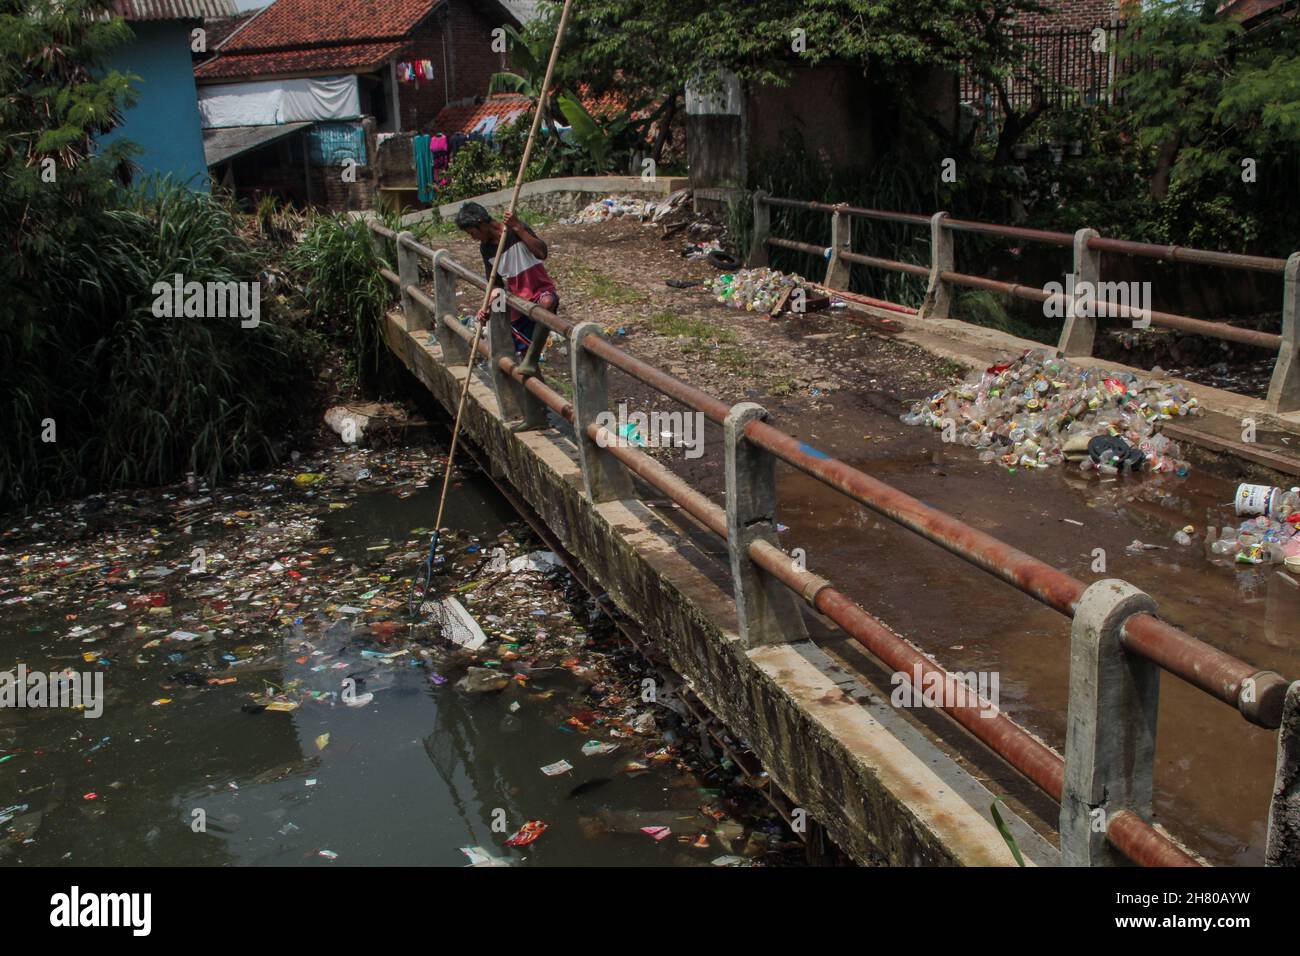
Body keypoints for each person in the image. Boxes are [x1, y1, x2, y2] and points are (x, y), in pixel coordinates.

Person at [454, 201, 558, 393]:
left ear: (481, 224)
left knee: (548, 301)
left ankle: (533, 357)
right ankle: (537, 412)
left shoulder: (514, 231)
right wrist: (485, 307)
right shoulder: (486, 248)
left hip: (539, 291)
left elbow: (541, 252)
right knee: (524, 365)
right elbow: (495, 285)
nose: (473, 238)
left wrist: (518, 227)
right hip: (515, 301)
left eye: (472, 233)